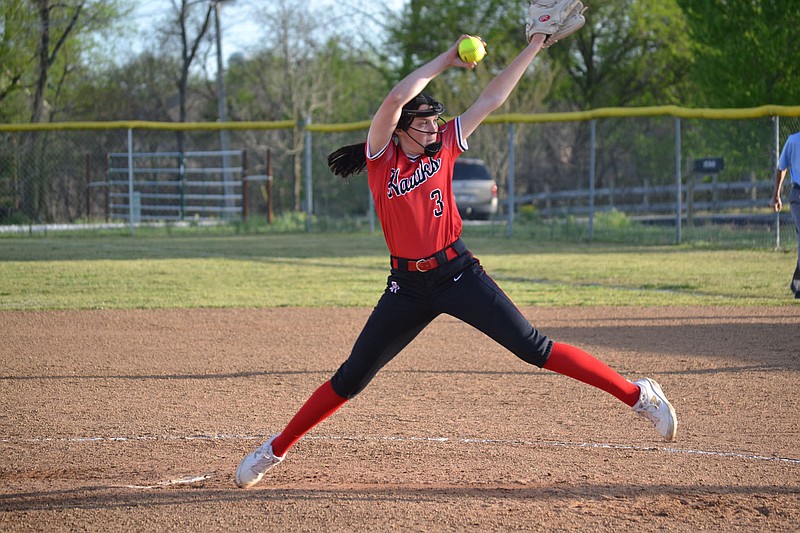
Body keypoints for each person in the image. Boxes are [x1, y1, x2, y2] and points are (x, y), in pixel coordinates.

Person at [234, 32, 678, 489]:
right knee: (351, 377)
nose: (433, 128)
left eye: (435, 121)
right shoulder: (381, 157)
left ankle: (638, 395)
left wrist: (536, 46)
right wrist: (447, 58)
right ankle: (274, 450)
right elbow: (392, 99)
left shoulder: (446, 142)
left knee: (534, 348)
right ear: (402, 127)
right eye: (423, 122)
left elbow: (494, 95)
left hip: (458, 273)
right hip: (407, 287)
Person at [771, 130, 800, 299]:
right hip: (798, 195)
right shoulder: (793, 140)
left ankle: (797, 282)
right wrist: (776, 194)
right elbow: (782, 167)